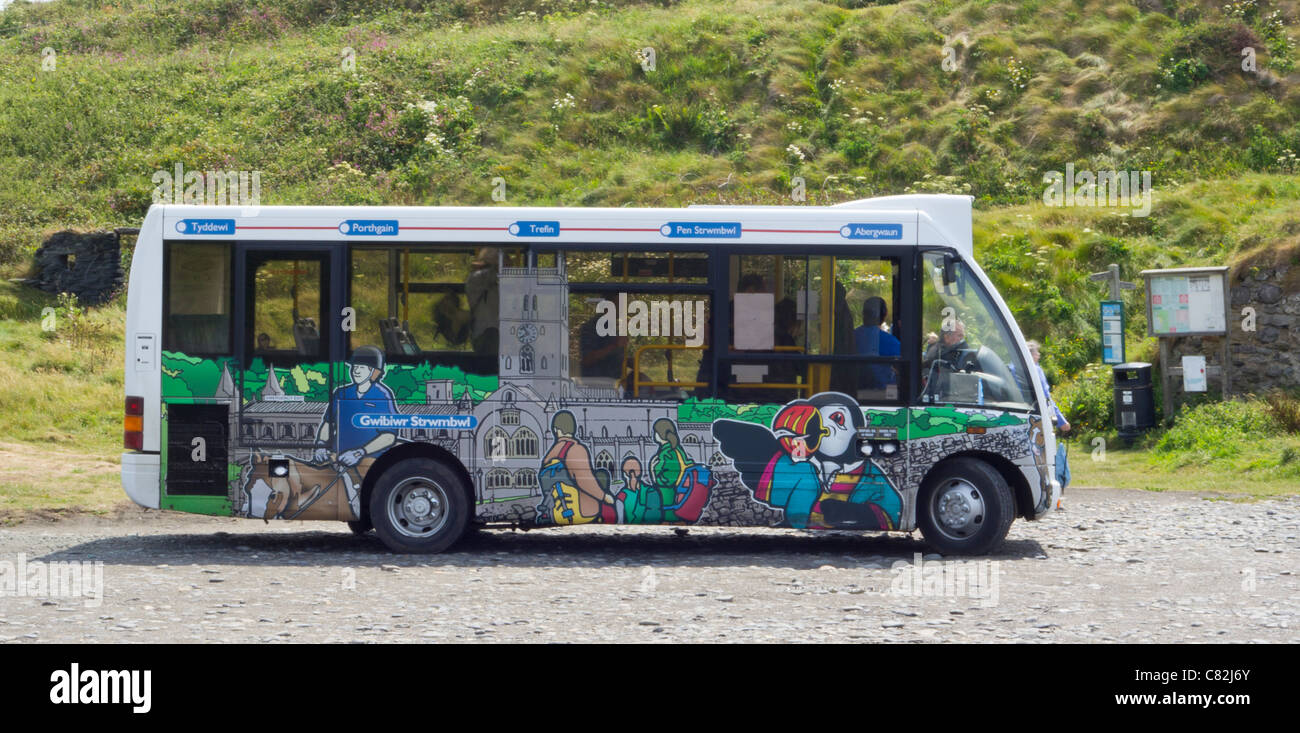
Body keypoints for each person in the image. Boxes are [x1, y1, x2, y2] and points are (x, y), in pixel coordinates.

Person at [536, 411, 615, 525]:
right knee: (602, 475)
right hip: (580, 510)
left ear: (556, 430)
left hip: (555, 508)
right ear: (574, 429)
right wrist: (605, 497)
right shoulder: (575, 449)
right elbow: (585, 480)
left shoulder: (551, 453)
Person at [1027, 340, 1070, 509]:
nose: (1039, 355)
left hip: (1024, 421)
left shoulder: (1012, 369)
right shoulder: (1036, 370)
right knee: (1047, 460)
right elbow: (1046, 399)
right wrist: (1061, 420)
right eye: (1037, 352)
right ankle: (1051, 499)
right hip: (1040, 422)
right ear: (1031, 355)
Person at [853, 296, 900, 388]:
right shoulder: (890, 341)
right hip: (882, 391)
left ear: (863, 313)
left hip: (853, 388)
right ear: (885, 314)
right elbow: (903, 367)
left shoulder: (851, 336)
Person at [579, 293, 627, 381]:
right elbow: (587, 359)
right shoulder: (591, 327)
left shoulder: (611, 327)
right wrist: (615, 345)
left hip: (613, 382)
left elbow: (612, 357)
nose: (622, 309)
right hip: (596, 384)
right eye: (618, 305)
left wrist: (628, 361)